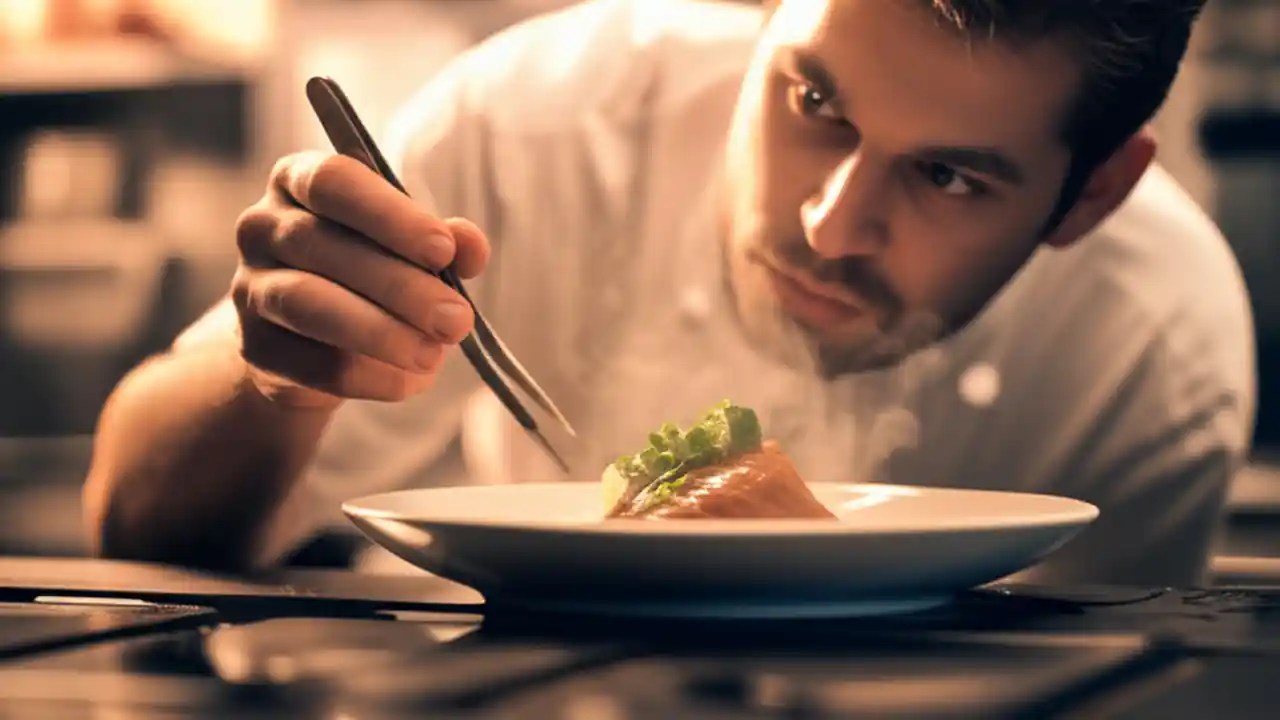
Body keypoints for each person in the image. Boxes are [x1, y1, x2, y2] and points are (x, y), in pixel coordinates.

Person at [83, 0, 1255, 585]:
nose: (826, 224)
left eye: (946, 176)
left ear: (1091, 194)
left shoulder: (1150, 344)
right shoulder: (536, 120)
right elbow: (133, 534)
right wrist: (267, 383)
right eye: (812, 105)